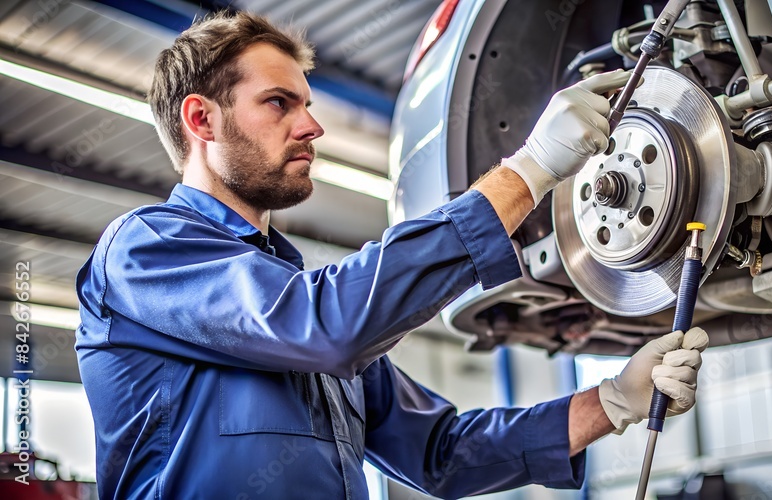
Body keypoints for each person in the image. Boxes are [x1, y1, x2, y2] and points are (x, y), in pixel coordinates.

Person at [75, 10, 709, 500]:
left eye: (307, 104)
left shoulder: (297, 310)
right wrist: (530, 171)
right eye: (279, 103)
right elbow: (328, 325)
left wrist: (615, 400)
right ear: (201, 119)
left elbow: (439, 452)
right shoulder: (145, 251)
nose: (311, 126)